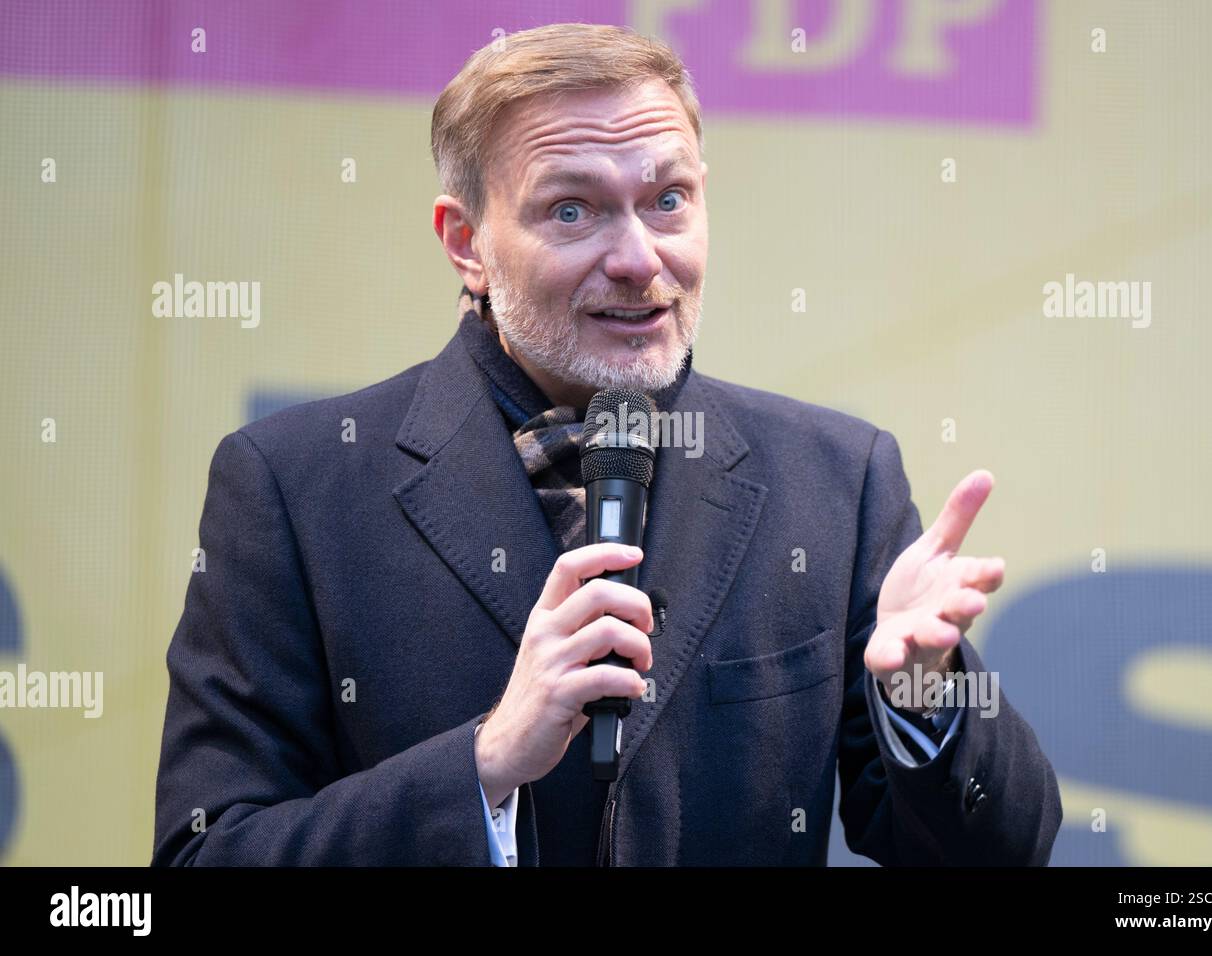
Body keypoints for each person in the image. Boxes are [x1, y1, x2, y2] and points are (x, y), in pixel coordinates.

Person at [152, 22, 1061, 866]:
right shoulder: (292, 486)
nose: (637, 258)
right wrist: (484, 766)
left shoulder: (837, 482)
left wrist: (925, 693)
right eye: (573, 212)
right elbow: (206, 852)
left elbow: (1001, 853)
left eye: (668, 200)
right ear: (467, 243)